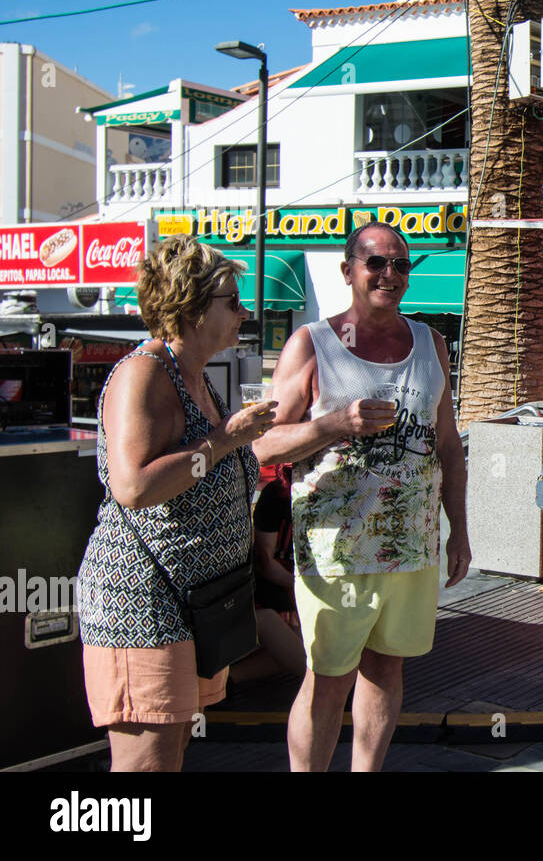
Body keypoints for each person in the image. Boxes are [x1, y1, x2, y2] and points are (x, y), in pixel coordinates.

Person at [254, 222, 470, 772]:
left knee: (387, 670)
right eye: (376, 262)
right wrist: (334, 424)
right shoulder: (314, 343)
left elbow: (447, 445)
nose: (390, 274)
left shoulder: (431, 343)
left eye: (400, 263)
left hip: (412, 548)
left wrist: (459, 531)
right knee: (327, 679)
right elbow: (261, 444)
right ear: (348, 269)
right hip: (336, 556)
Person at [76, 235, 275, 771]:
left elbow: (214, 462)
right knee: (147, 767)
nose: (244, 312)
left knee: (172, 753)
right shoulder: (143, 373)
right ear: (189, 305)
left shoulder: (194, 376)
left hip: (195, 603)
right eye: (231, 302)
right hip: (142, 605)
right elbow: (134, 486)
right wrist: (223, 442)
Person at [229, 464, 307, 685]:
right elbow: (265, 562)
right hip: (270, 595)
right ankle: (328, 681)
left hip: (290, 590)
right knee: (310, 651)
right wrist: (294, 593)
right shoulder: (276, 495)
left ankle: (230, 681)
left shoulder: (335, 496)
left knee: (313, 641)